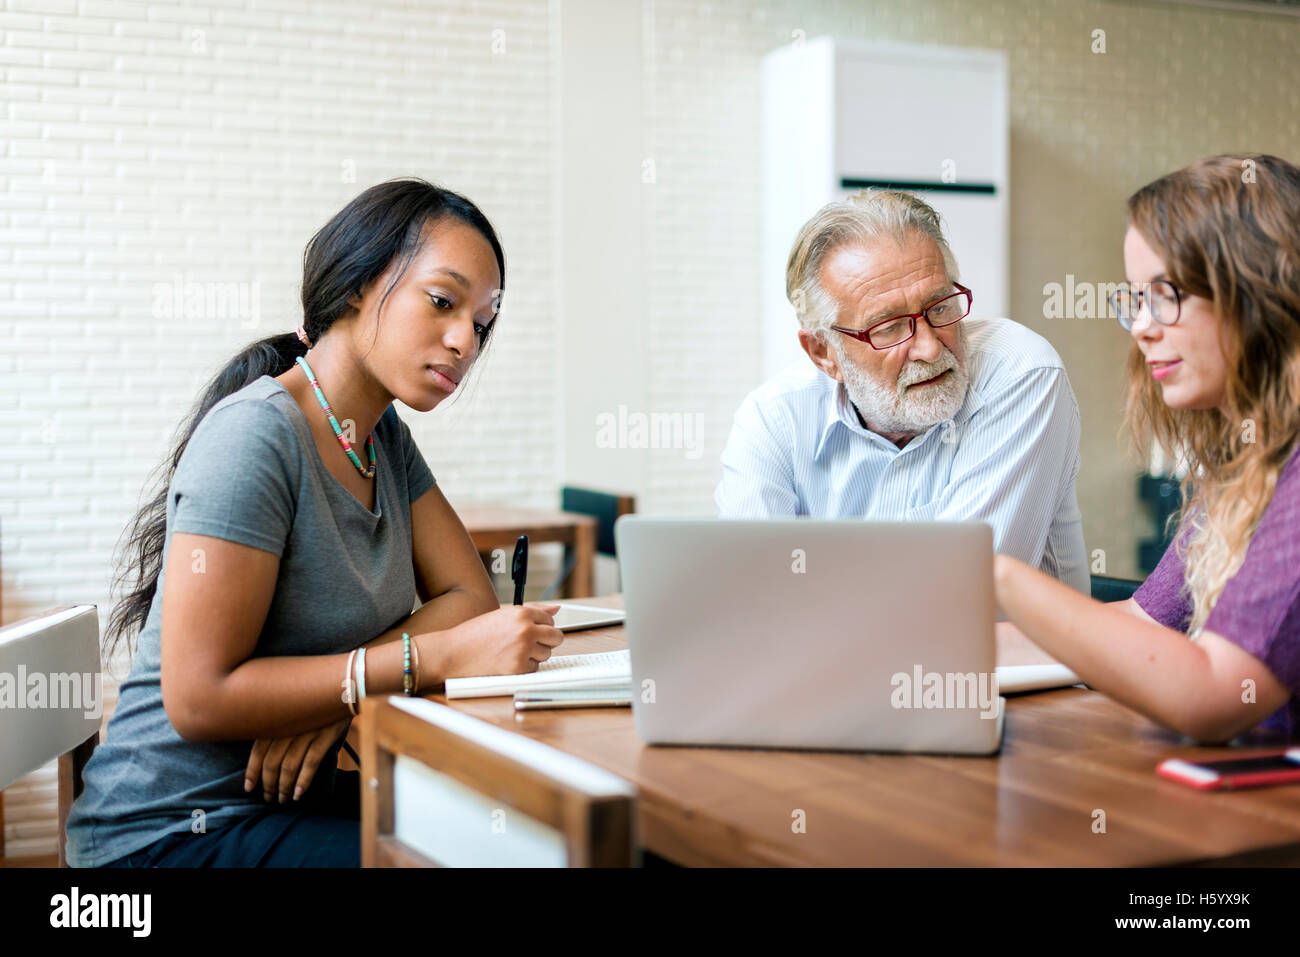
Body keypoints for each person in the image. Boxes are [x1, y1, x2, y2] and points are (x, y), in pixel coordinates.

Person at [65, 179, 565, 867]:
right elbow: (197, 698)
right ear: (359, 284)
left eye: (480, 323)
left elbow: (469, 596)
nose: (463, 342)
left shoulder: (381, 434)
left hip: (285, 800)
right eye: (443, 301)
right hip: (164, 835)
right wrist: (427, 660)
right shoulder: (256, 436)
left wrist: (343, 697)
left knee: (535, 833)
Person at [996, 154, 1300, 740]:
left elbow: (1213, 694)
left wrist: (1002, 578)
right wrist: (917, 650)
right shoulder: (1247, 467)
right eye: (1136, 297)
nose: (1141, 326)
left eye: (1167, 294)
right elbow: (1145, 624)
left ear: (1261, 294)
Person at [716, 189, 1089, 592]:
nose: (929, 347)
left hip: (1012, 656)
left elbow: (960, 594)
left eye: (940, 307)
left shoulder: (1019, 373)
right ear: (825, 354)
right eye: (889, 327)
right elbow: (751, 594)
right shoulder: (775, 417)